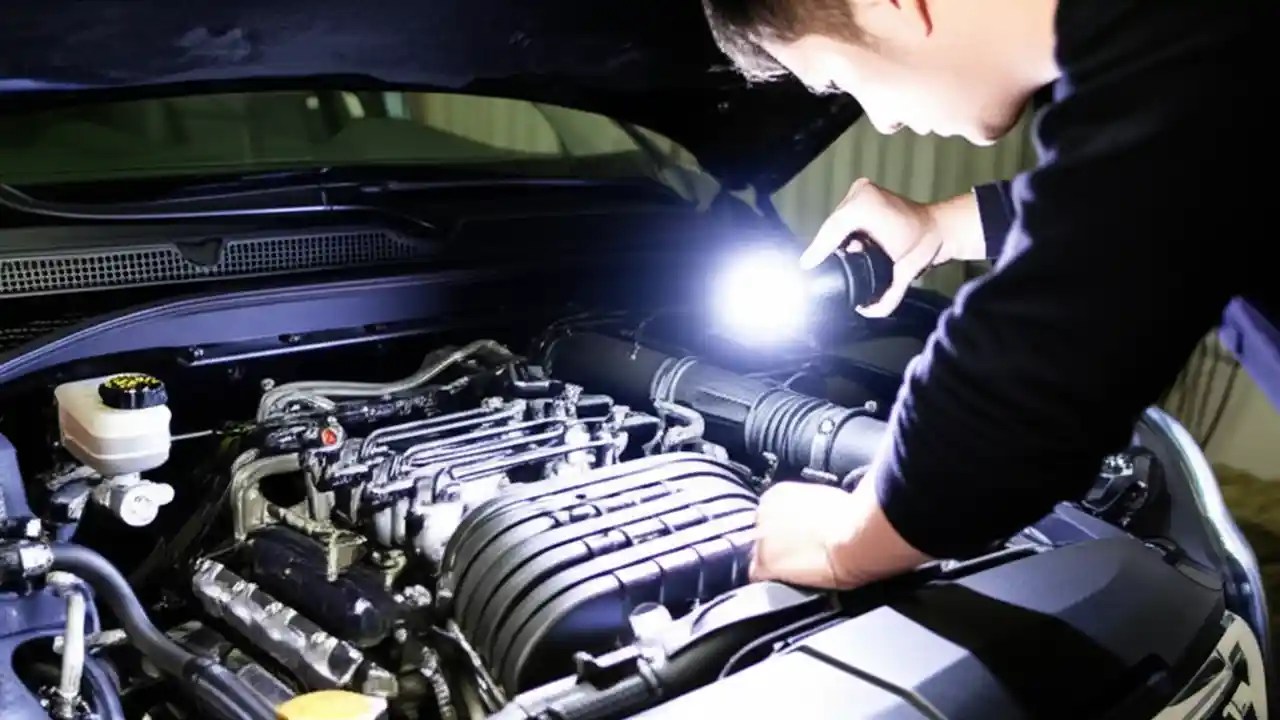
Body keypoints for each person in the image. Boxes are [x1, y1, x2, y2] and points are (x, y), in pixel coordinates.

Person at [697, 0, 1272, 590]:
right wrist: (941, 226)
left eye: (841, 80)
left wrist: (850, 542)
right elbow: (1143, 195)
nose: (883, 122)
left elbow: (1047, 353)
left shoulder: (1189, 35)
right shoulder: (1169, 51)